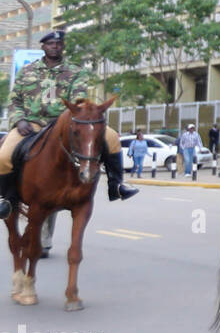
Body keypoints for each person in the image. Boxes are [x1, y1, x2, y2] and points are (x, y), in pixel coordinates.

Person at [0, 30, 137, 218]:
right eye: (50, 44)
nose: (55, 46)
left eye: (58, 44)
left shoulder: (75, 71)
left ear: (62, 47)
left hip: (67, 124)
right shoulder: (27, 71)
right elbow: (14, 100)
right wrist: (19, 120)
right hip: (32, 124)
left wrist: (71, 120)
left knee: (112, 137)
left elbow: (78, 101)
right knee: (4, 154)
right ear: (43, 47)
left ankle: (117, 185)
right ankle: (6, 199)